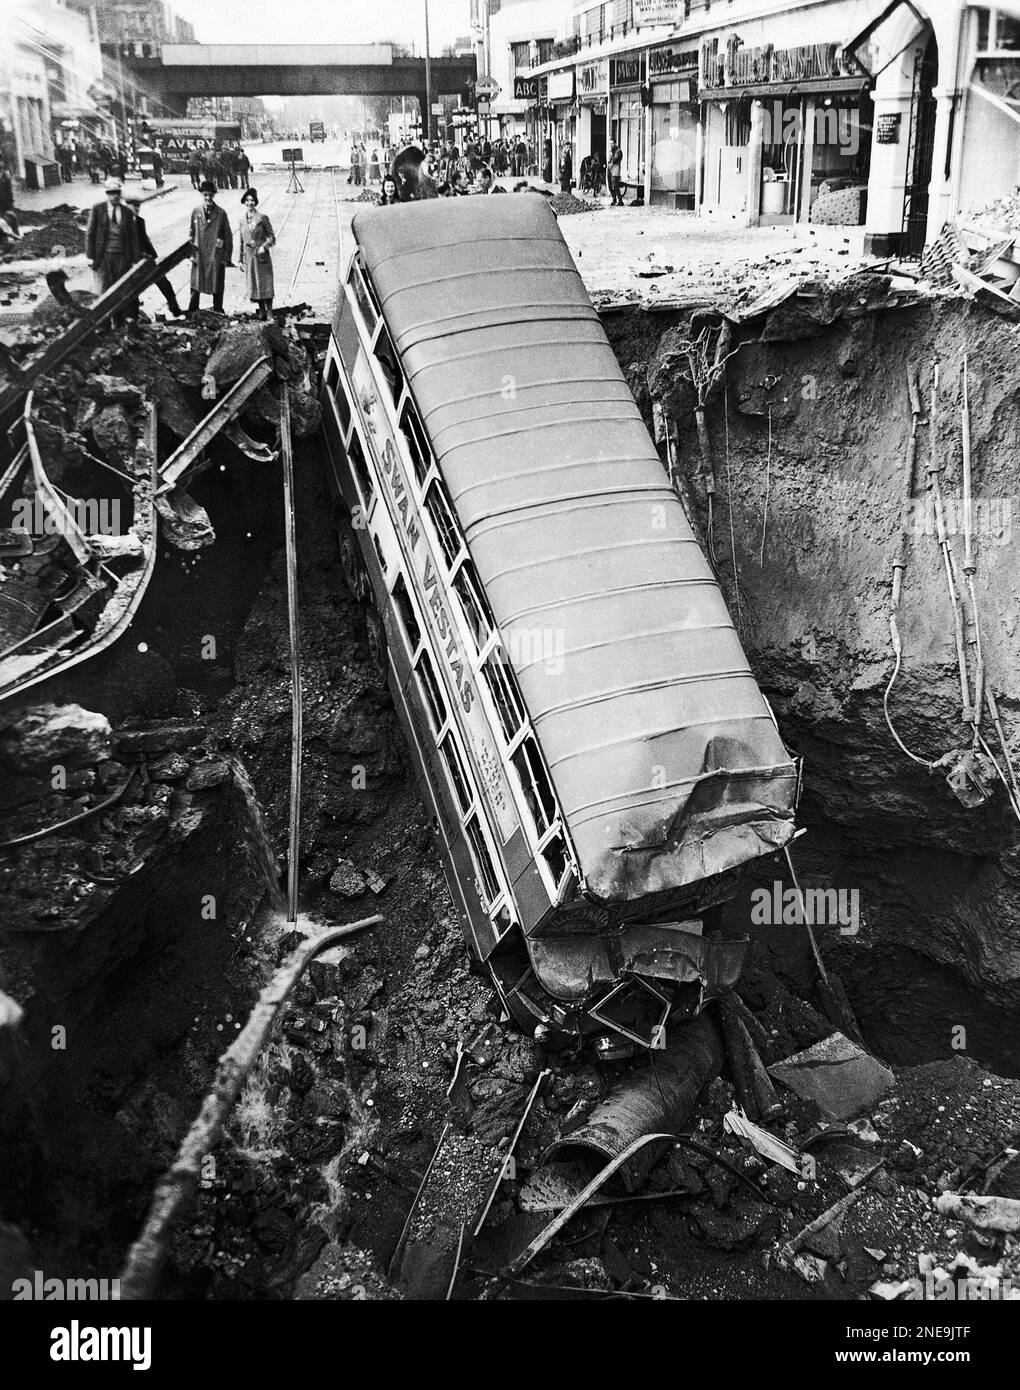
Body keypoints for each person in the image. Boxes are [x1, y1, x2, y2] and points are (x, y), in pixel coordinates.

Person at [86, 178, 140, 324]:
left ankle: (119, 324)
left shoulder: (127, 213)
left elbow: (133, 238)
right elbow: (90, 233)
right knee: (103, 291)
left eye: (117, 193)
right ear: (107, 194)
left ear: (120, 194)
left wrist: (135, 260)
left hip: (122, 257)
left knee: (120, 290)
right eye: (111, 193)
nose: (114, 196)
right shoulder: (98, 209)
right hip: (103, 257)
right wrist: (90, 256)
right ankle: (103, 325)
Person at [123, 192, 183, 318]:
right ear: (127, 206)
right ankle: (132, 317)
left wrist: (153, 258)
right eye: (134, 206)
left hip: (146, 261)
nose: (137, 209)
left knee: (163, 281)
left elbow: (145, 241)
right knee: (132, 291)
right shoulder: (122, 224)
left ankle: (174, 307)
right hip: (131, 264)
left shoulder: (139, 221)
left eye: (139, 206)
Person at [187, 180, 233, 315]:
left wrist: (226, 258)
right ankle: (193, 310)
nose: (208, 198)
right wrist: (190, 253)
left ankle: (218, 309)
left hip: (215, 254)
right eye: (205, 195)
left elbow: (228, 236)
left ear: (214, 196)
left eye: (210, 195)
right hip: (199, 253)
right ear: (202, 195)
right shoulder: (196, 212)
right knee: (196, 283)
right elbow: (191, 232)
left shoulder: (221, 213)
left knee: (217, 283)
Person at [237, 187, 275, 320]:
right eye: (247, 200)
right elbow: (241, 241)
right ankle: (262, 311)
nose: (250, 203)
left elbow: (271, 237)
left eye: (252, 200)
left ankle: (270, 312)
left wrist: (263, 247)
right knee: (254, 283)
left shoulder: (262, 218)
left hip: (262, 256)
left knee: (265, 283)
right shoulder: (242, 220)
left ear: (256, 202)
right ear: (244, 202)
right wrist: (240, 260)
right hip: (249, 257)